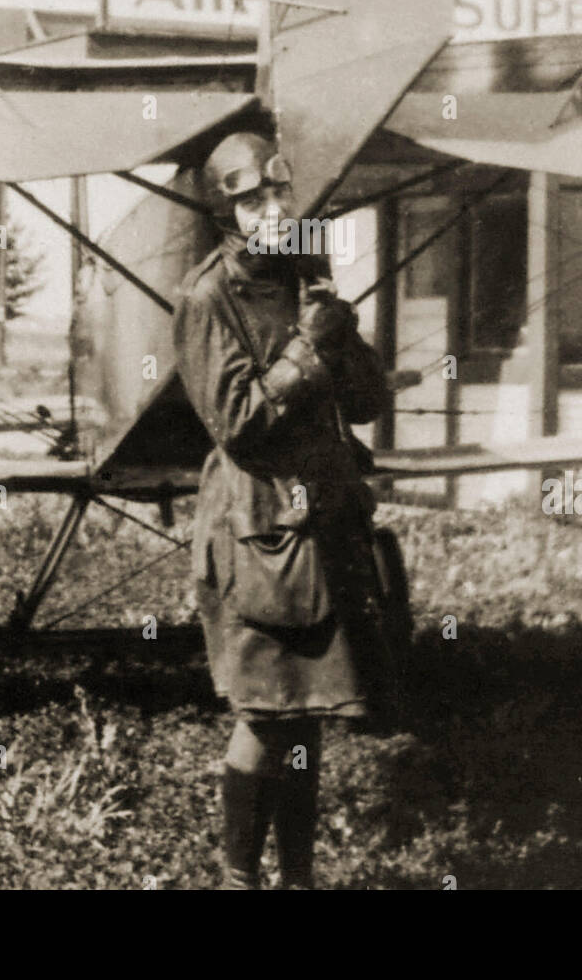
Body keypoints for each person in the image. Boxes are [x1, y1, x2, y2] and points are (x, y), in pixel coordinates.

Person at [172, 130, 396, 890]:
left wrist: (340, 334)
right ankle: (238, 880)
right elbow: (236, 423)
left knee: (307, 715)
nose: (272, 208)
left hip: (322, 521)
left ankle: (297, 880)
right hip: (257, 528)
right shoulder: (207, 297)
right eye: (251, 197)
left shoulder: (307, 274)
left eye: (280, 193)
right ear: (225, 210)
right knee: (266, 716)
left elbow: (366, 402)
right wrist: (304, 348)